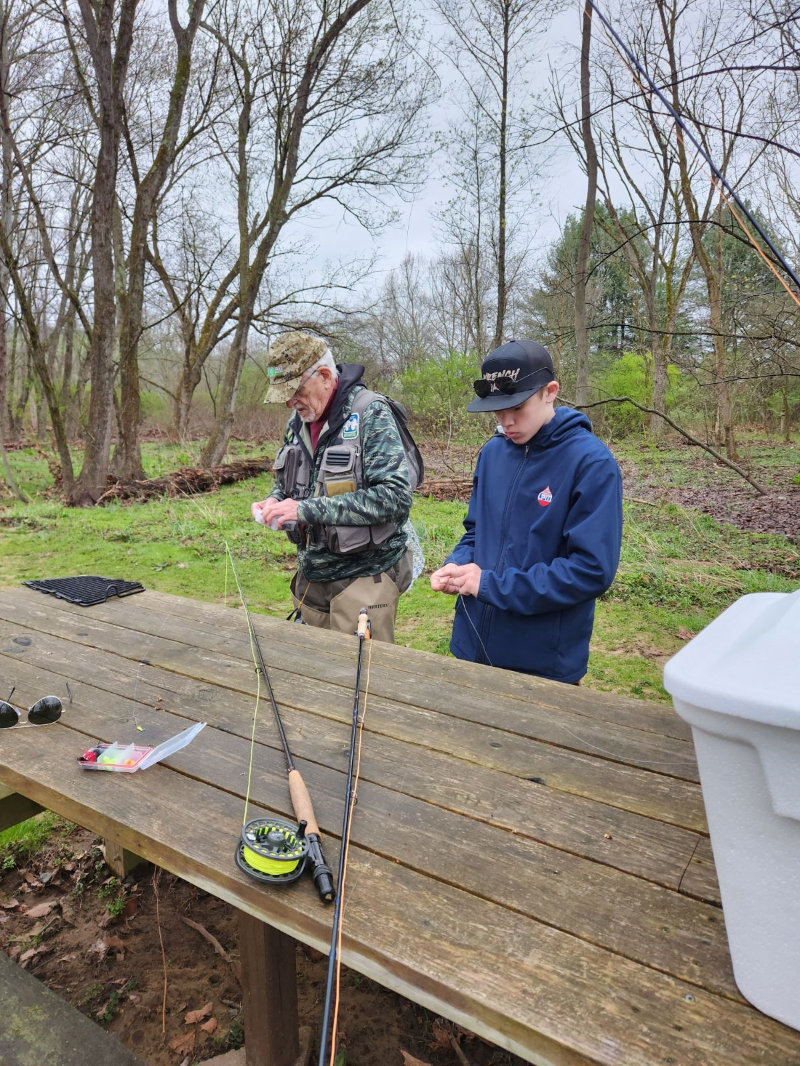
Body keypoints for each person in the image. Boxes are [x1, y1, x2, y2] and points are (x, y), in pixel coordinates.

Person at [430, 338, 623, 684]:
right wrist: (457, 564)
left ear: (550, 392)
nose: (506, 422)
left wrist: (490, 585)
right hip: (471, 646)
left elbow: (590, 570)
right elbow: (477, 532)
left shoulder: (591, 463)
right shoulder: (492, 454)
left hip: (540, 663)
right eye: (497, 410)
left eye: (517, 408)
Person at [252, 331, 414, 642]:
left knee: (362, 672)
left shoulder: (370, 413)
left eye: (295, 390)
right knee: (315, 667)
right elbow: (287, 486)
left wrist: (305, 510)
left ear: (325, 376)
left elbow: (395, 497)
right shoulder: (297, 422)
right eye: (283, 394)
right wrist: (273, 501)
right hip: (312, 580)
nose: (289, 402)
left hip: (364, 579)